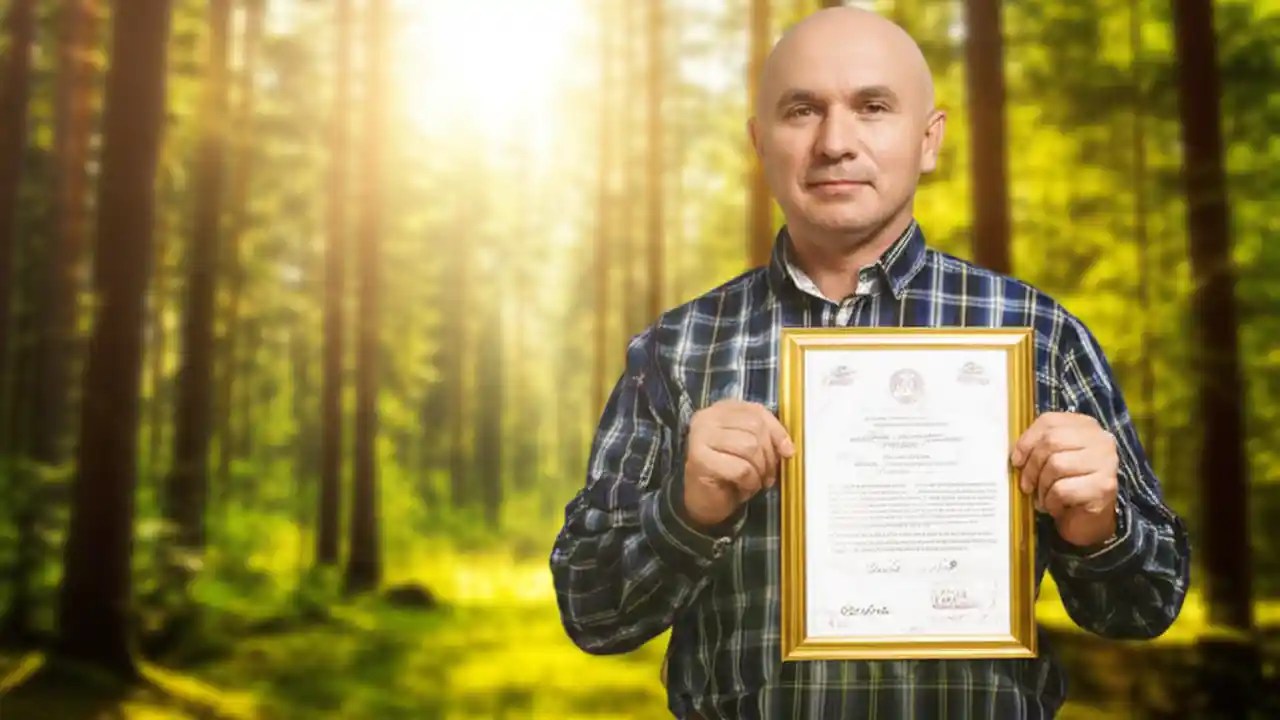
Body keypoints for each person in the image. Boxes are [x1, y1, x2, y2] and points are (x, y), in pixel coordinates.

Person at [549, 7, 1190, 719]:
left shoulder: (1040, 335)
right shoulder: (676, 350)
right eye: (802, 111)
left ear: (928, 141)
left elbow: (1149, 605)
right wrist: (689, 511)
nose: (834, 142)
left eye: (872, 107)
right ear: (760, 143)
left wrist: (1098, 526)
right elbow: (591, 614)